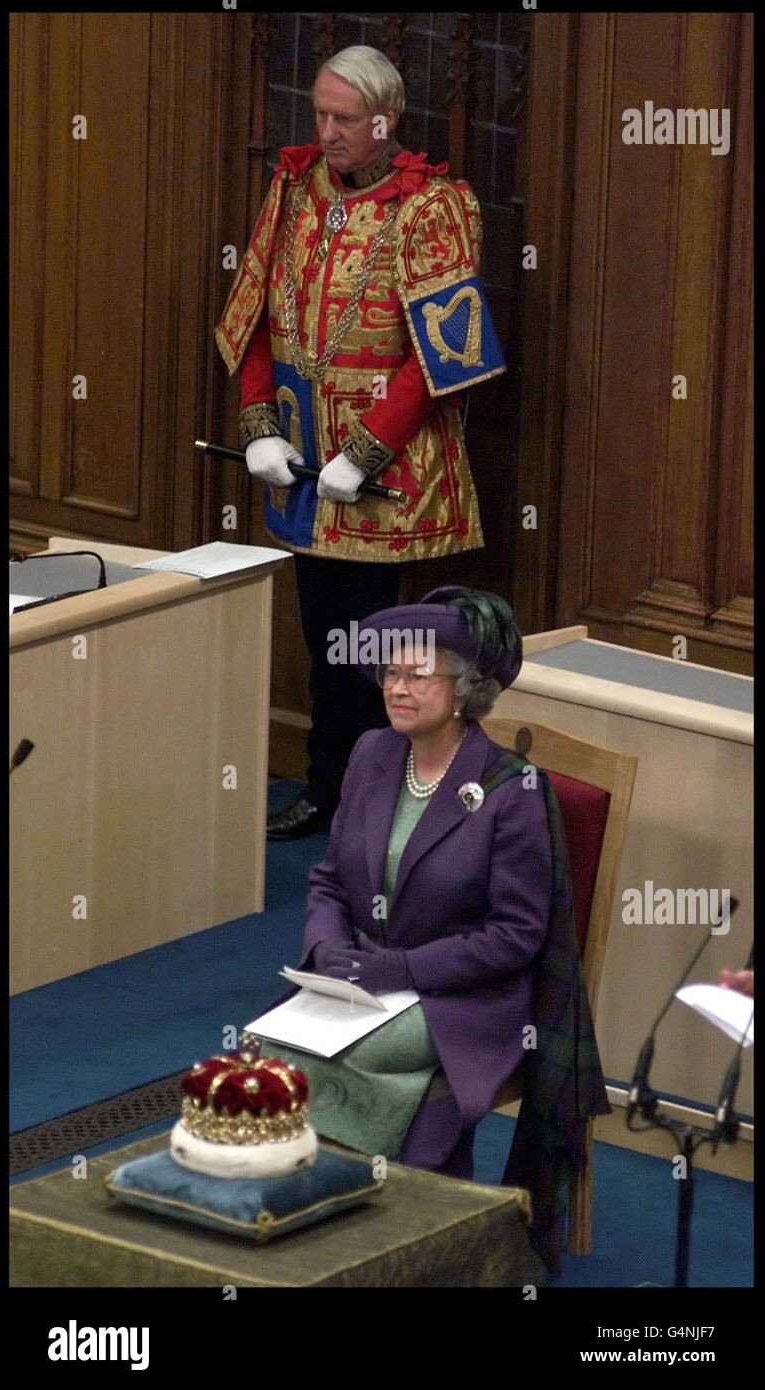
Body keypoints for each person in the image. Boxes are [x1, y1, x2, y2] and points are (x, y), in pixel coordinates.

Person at [215, 45, 506, 839]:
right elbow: (254, 320)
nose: (328, 130)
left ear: (384, 121)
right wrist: (258, 427)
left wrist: (367, 450)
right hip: (302, 456)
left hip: (389, 468)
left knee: (389, 651)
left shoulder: (433, 205)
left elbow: (444, 352)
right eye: (320, 114)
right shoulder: (294, 187)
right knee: (323, 637)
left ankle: (390, 804)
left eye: (344, 119)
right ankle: (327, 788)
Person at [273, 586, 609, 1272]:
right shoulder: (370, 755)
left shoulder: (510, 792)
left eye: (416, 675)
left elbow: (515, 936)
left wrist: (404, 971)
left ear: (464, 691)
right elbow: (329, 879)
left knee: (353, 1058)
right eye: (391, 673)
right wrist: (324, 945)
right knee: (271, 1049)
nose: (397, 687)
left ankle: (399, 1225)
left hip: (465, 997)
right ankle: (326, 1218)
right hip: (360, 978)